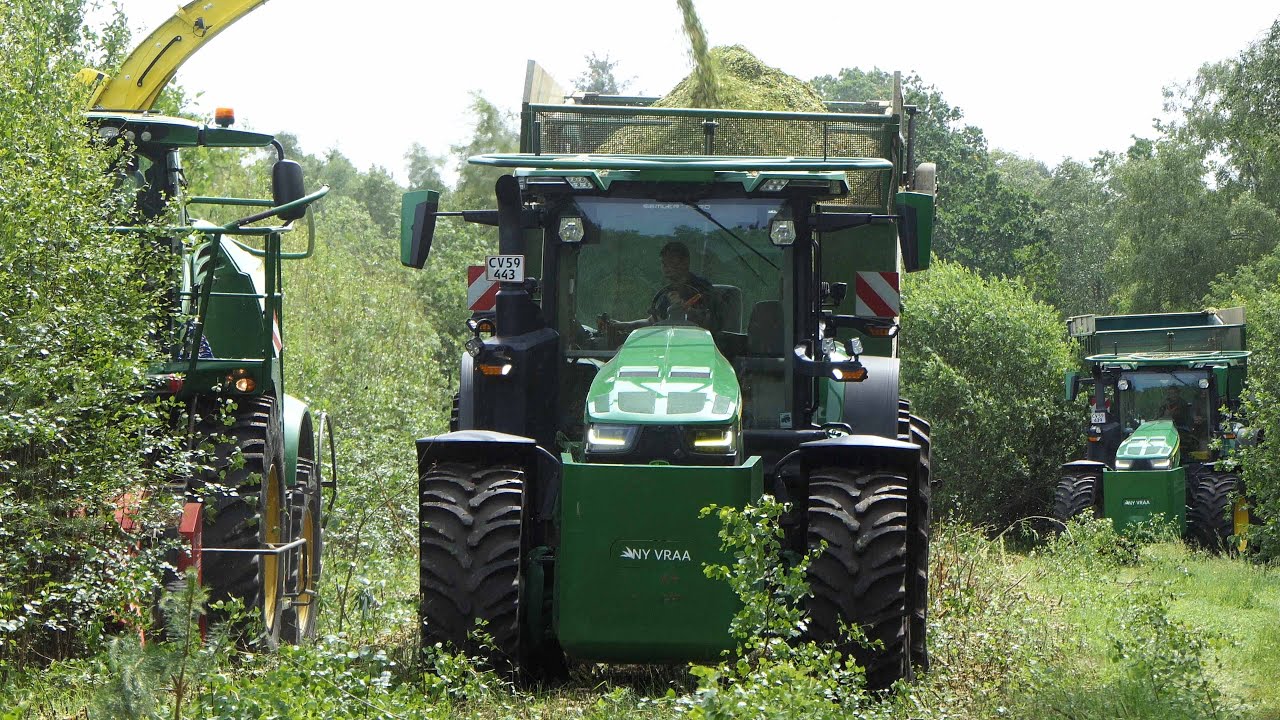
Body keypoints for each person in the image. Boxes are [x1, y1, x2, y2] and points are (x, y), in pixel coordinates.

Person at [602, 241, 722, 336]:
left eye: (671, 262)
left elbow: (711, 323)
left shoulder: (703, 288)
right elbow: (652, 322)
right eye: (664, 263)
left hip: (699, 347)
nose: (666, 267)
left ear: (685, 262)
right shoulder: (667, 292)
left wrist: (684, 308)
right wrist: (622, 325)